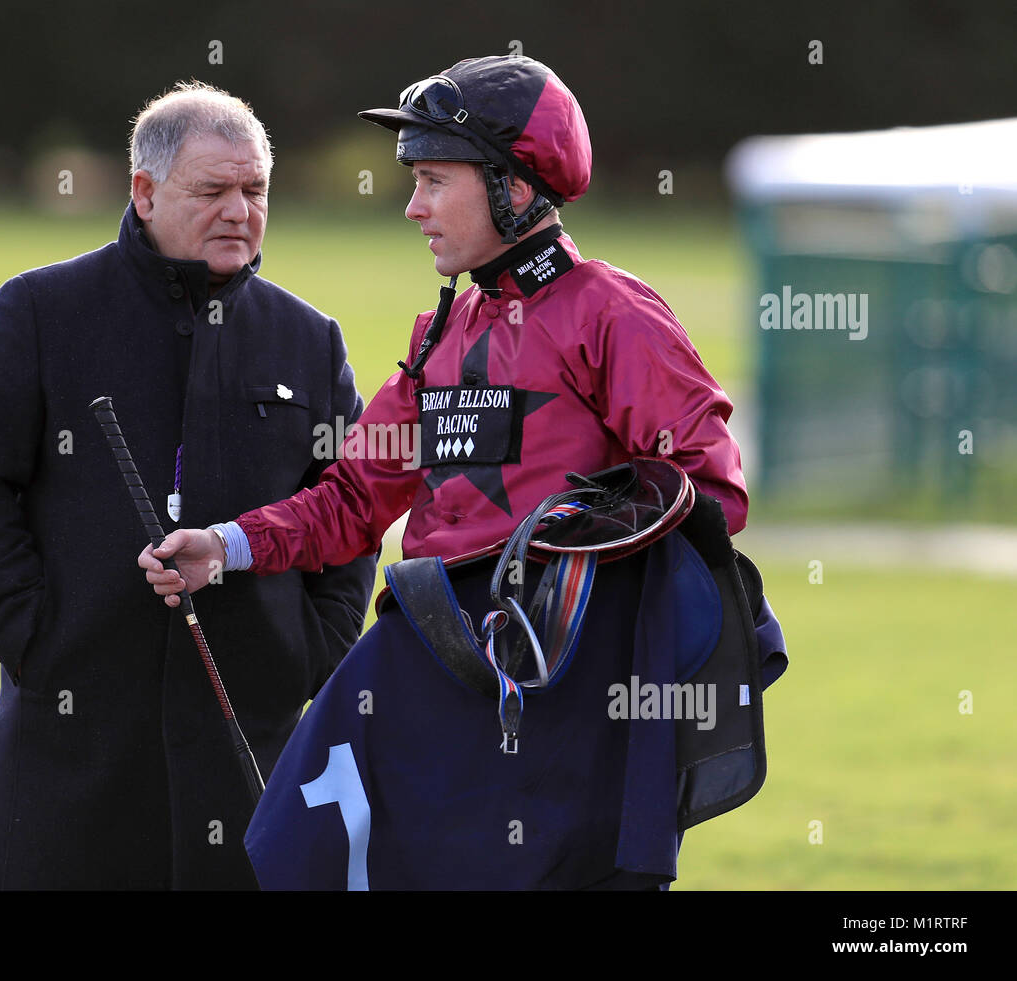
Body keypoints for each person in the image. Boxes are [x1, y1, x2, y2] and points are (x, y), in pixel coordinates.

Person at [142, 56, 780, 889]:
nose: (413, 206)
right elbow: (352, 500)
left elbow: (710, 489)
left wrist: (562, 551)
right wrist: (224, 546)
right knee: (298, 849)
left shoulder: (611, 312)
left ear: (514, 187)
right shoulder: (441, 334)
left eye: (435, 180)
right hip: (438, 661)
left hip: (560, 692)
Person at [0, 81, 377, 890]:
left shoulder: (309, 340)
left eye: (255, 189)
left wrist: (311, 652)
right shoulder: (40, 311)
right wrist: (32, 632)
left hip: (248, 752)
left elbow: (352, 513)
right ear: (144, 190)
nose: (240, 210)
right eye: (213, 190)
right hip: (69, 747)